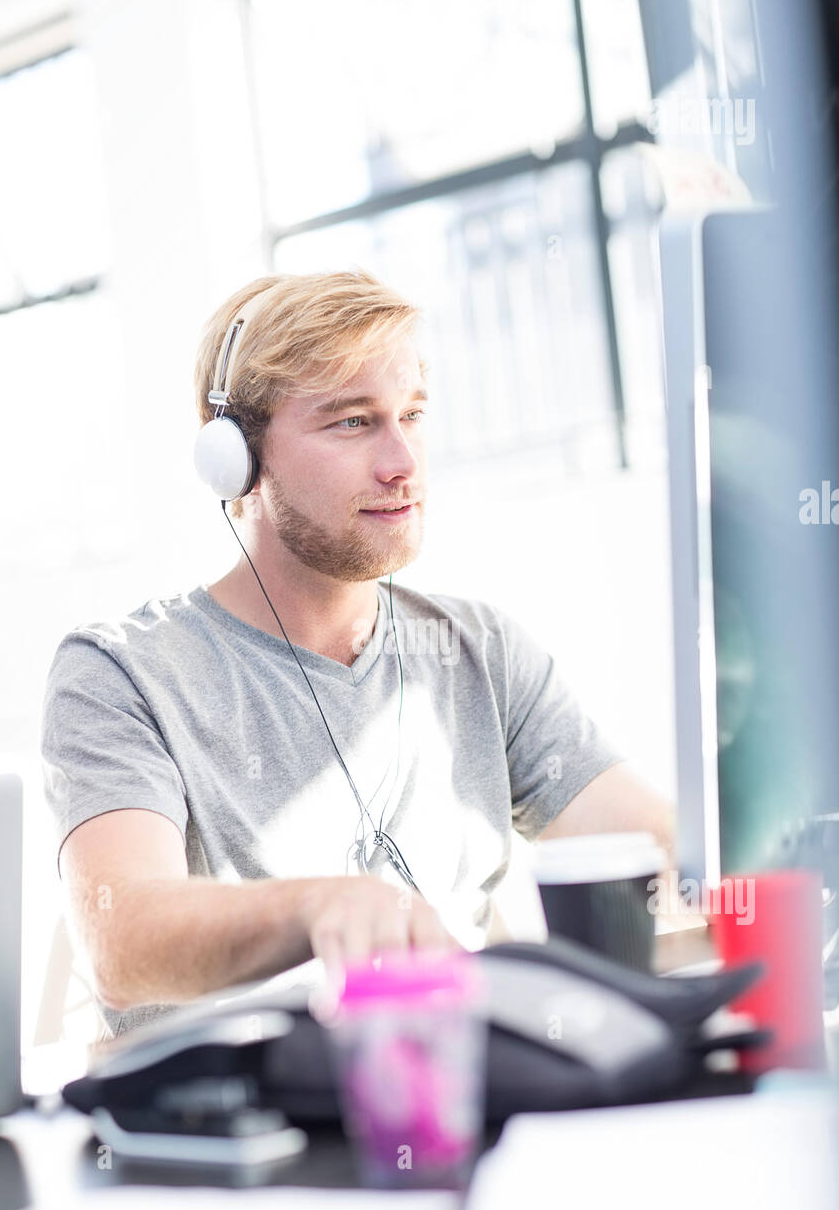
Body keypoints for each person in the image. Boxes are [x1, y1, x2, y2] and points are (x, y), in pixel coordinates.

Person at [40, 269, 674, 1038]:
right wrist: (325, 909)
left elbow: (657, 852)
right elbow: (125, 939)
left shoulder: (478, 650)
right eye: (353, 422)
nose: (402, 461)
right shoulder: (120, 674)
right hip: (243, 1135)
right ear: (238, 457)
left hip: (459, 1098)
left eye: (412, 414)